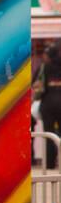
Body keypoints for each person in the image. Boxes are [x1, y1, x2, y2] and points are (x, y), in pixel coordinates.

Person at [40, 41, 61, 169]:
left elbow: (36, 82)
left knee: (48, 133)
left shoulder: (45, 67)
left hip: (47, 102)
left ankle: (49, 162)